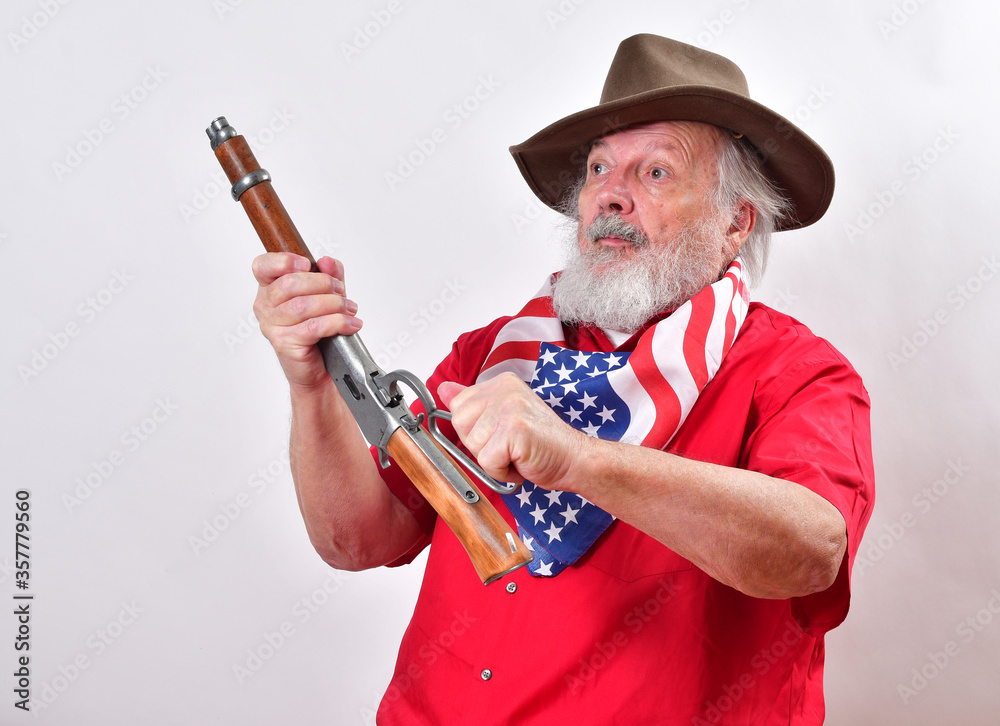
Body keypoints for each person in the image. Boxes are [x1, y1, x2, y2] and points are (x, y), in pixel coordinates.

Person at [252, 34, 874, 725]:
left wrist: (579, 458)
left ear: (735, 222)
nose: (611, 195)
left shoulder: (797, 374)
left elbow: (811, 553)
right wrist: (312, 384)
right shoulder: (494, 353)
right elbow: (360, 540)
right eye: (600, 168)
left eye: (655, 173)